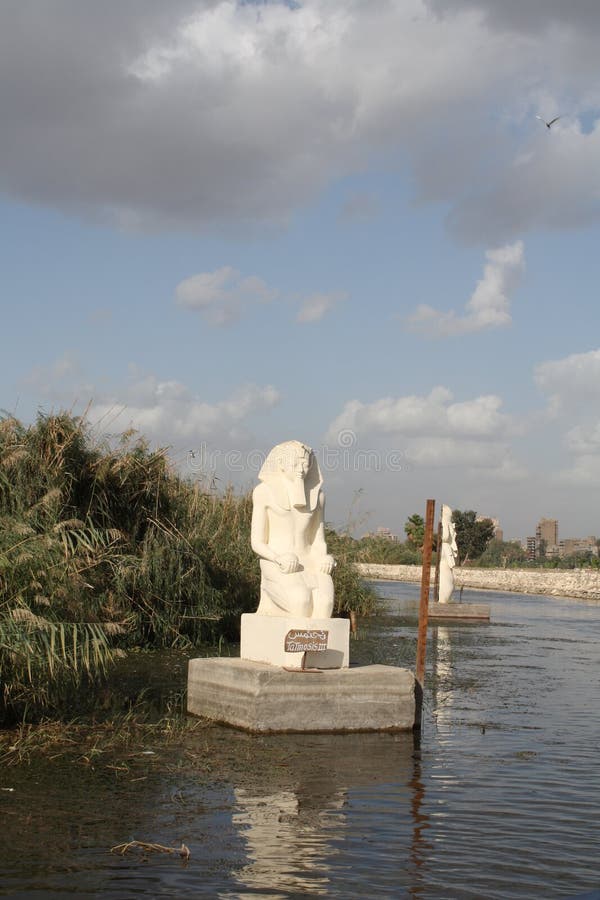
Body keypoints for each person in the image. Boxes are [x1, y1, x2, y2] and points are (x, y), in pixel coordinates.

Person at [251, 440, 335, 618]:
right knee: (301, 601)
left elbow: (317, 540)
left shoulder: (318, 497)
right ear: (280, 463)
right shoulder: (263, 492)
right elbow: (257, 542)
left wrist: (324, 557)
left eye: (305, 464)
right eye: (295, 463)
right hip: (277, 561)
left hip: (309, 562)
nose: (301, 469)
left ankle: (313, 647)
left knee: (325, 605)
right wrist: (277, 557)